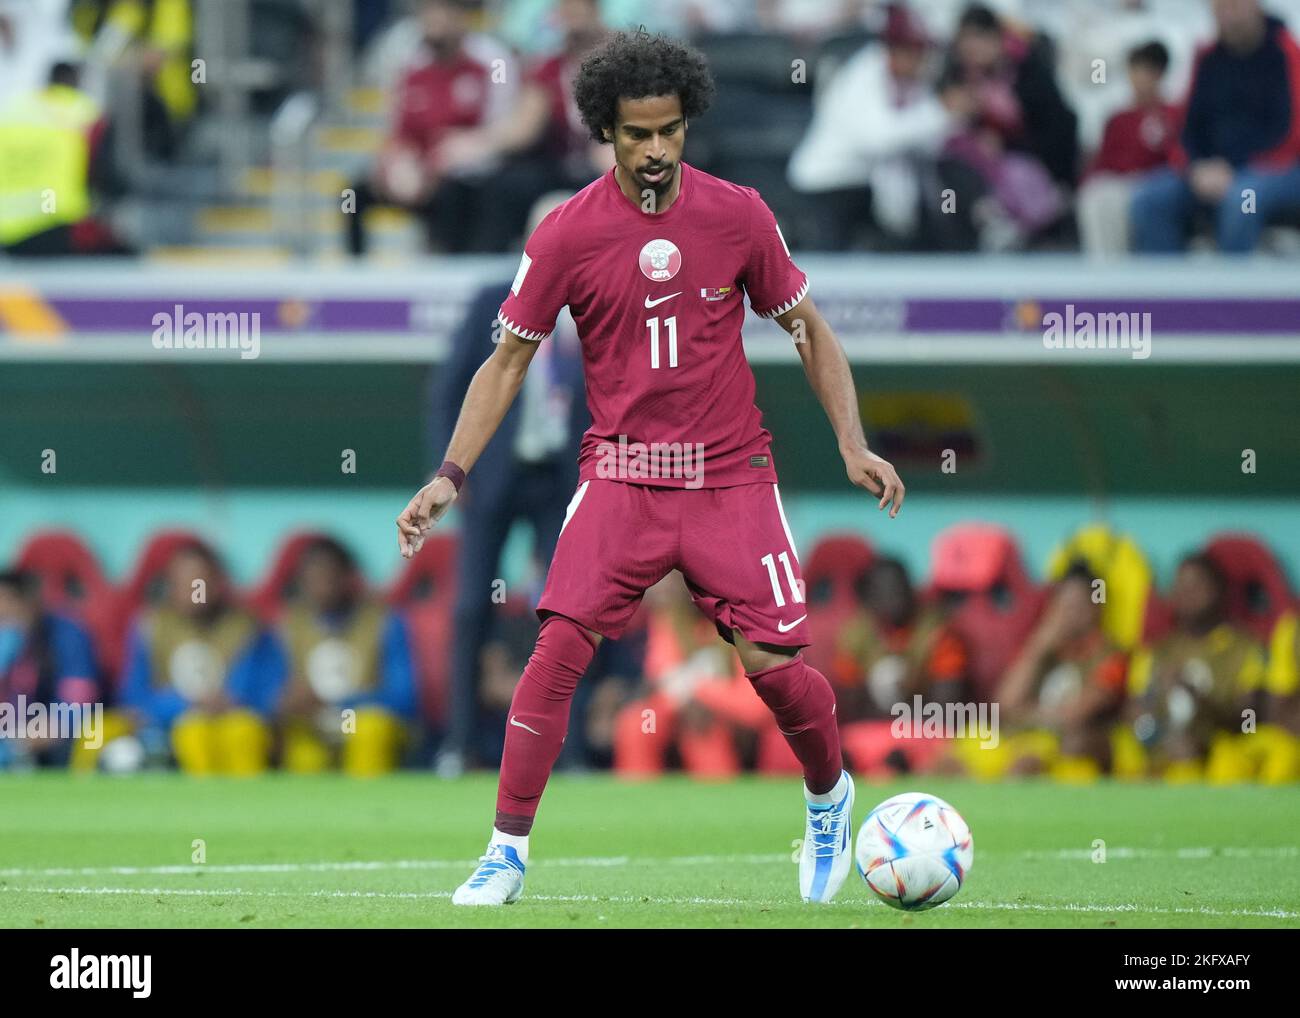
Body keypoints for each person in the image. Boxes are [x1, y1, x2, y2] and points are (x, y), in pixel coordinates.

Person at [396, 29, 906, 907]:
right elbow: (507, 362)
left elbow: (808, 331)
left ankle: (828, 799)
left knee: (775, 670)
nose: (659, 149)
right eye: (639, 134)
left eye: (671, 130)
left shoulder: (739, 213)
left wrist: (852, 443)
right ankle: (505, 851)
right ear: (606, 130)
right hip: (623, 475)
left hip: (729, 474)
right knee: (556, 651)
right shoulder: (566, 234)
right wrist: (451, 474)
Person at [430, 195, 588, 777]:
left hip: (562, 480)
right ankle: (460, 743)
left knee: (569, 614)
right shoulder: (490, 302)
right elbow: (448, 391)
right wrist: (449, 470)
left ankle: (565, 753)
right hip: (493, 478)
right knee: (473, 607)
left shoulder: (594, 300)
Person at [1130, 0, 1300, 253]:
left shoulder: (1287, 52)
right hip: (1209, 170)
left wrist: (1232, 168)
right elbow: (1187, 128)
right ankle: (1168, 290)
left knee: (1241, 202)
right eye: (1220, 9)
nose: (1228, 17)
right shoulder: (1207, 58)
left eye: (1235, 7)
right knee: (1148, 201)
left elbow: (1290, 135)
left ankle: (1234, 290)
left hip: (1277, 170)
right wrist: (1195, 166)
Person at [787, 3, 954, 250]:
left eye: (921, 52)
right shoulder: (864, 72)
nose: (920, 60)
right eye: (911, 51)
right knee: (832, 276)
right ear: (891, 50)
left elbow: (929, 142)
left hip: (863, 187)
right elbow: (876, 139)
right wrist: (940, 113)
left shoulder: (912, 82)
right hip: (825, 185)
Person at [120, 541, 279, 775]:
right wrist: (185, 704)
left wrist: (231, 701)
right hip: (173, 724)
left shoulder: (246, 627)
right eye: (184, 584)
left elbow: (264, 690)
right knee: (194, 731)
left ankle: (250, 806)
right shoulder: (151, 627)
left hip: (235, 720)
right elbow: (134, 696)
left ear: (217, 584)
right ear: (169, 586)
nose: (194, 591)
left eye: (200, 583)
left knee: (243, 731)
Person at [270, 537, 416, 777]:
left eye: (330, 576)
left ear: (348, 578)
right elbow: (267, 694)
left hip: (364, 723)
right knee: (303, 753)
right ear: (301, 582)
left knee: (371, 730)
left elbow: (404, 697)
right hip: (311, 725)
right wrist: (283, 701)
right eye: (314, 578)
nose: (322, 585)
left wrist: (337, 703)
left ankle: (369, 812)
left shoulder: (383, 622)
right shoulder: (286, 628)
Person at [1117, 554, 1266, 782]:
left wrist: (1196, 697)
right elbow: (1134, 711)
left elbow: (1248, 722)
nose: (1188, 593)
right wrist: (1151, 720)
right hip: (1161, 745)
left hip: (1217, 750)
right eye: (1181, 585)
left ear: (1219, 590)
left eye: (1197, 584)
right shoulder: (1156, 650)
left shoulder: (1245, 649)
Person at [987, 563, 1129, 781]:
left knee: (1024, 765)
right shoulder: (1042, 649)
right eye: (1063, 605)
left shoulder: (1111, 655)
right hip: (1019, 738)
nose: (1069, 614)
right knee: (957, 755)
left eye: (1078, 605)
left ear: (1096, 607)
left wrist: (1023, 715)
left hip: (1071, 747)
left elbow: (1074, 716)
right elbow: (1004, 705)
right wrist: (1039, 647)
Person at [831, 557, 969, 777]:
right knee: (843, 751)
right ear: (869, 600)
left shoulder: (938, 634)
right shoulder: (856, 637)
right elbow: (851, 706)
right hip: (871, 732)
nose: (895, 598)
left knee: (910, 752)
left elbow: (945, 708)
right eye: (883, 592)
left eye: (899, 589)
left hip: (924, 730)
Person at [1076, 40, 1179, 256]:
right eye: (1134, 71)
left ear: (1159, 75)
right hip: (1116, 182)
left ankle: (1122, 270)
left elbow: (1174, 157)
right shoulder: (1118, 118)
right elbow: (1102, 162)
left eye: (1146, 71)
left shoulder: (1172, 115)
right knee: (1094, 198)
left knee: (1123, 201)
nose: (1138, 79)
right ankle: (1102, 270)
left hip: (1152, 182)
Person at [0, 569, 101, 770]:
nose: (4, 616)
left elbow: (79, 698)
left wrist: (53, 724)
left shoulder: (66, 634)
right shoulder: (7, 643)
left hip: (58, 737)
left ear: (29, 603)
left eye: (9, 606)